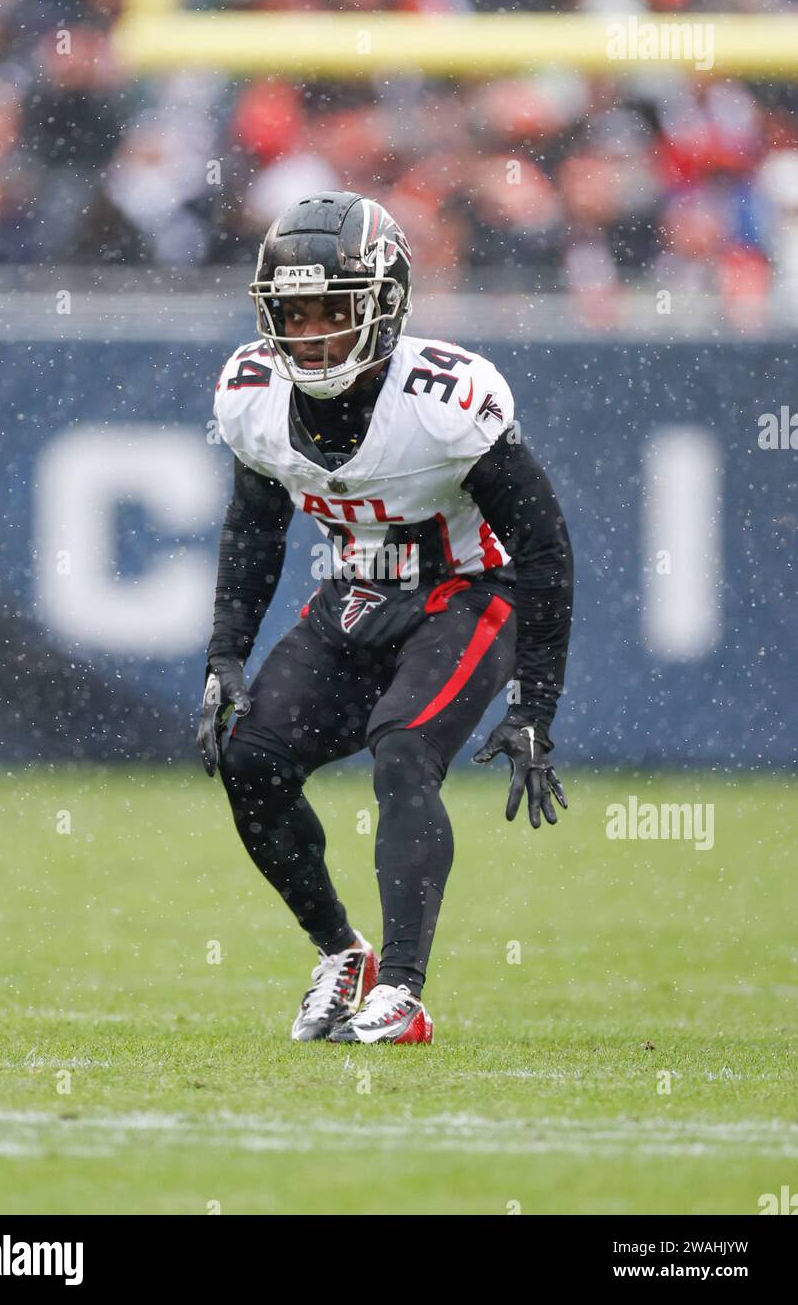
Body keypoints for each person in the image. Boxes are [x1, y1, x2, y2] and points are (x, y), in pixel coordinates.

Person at [197, 190, 573, 1045]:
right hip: (357, 591)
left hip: (467, 591)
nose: (311, 334)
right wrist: (225, 655)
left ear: (386, 304)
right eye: (293, 313)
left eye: (333, 311)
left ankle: (403, 992)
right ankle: (342, 954)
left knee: (403, 750)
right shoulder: (252, 395)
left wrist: (535, 706)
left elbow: (543, 549)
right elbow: (254, 528)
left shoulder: (446, 399)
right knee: (252, 758)